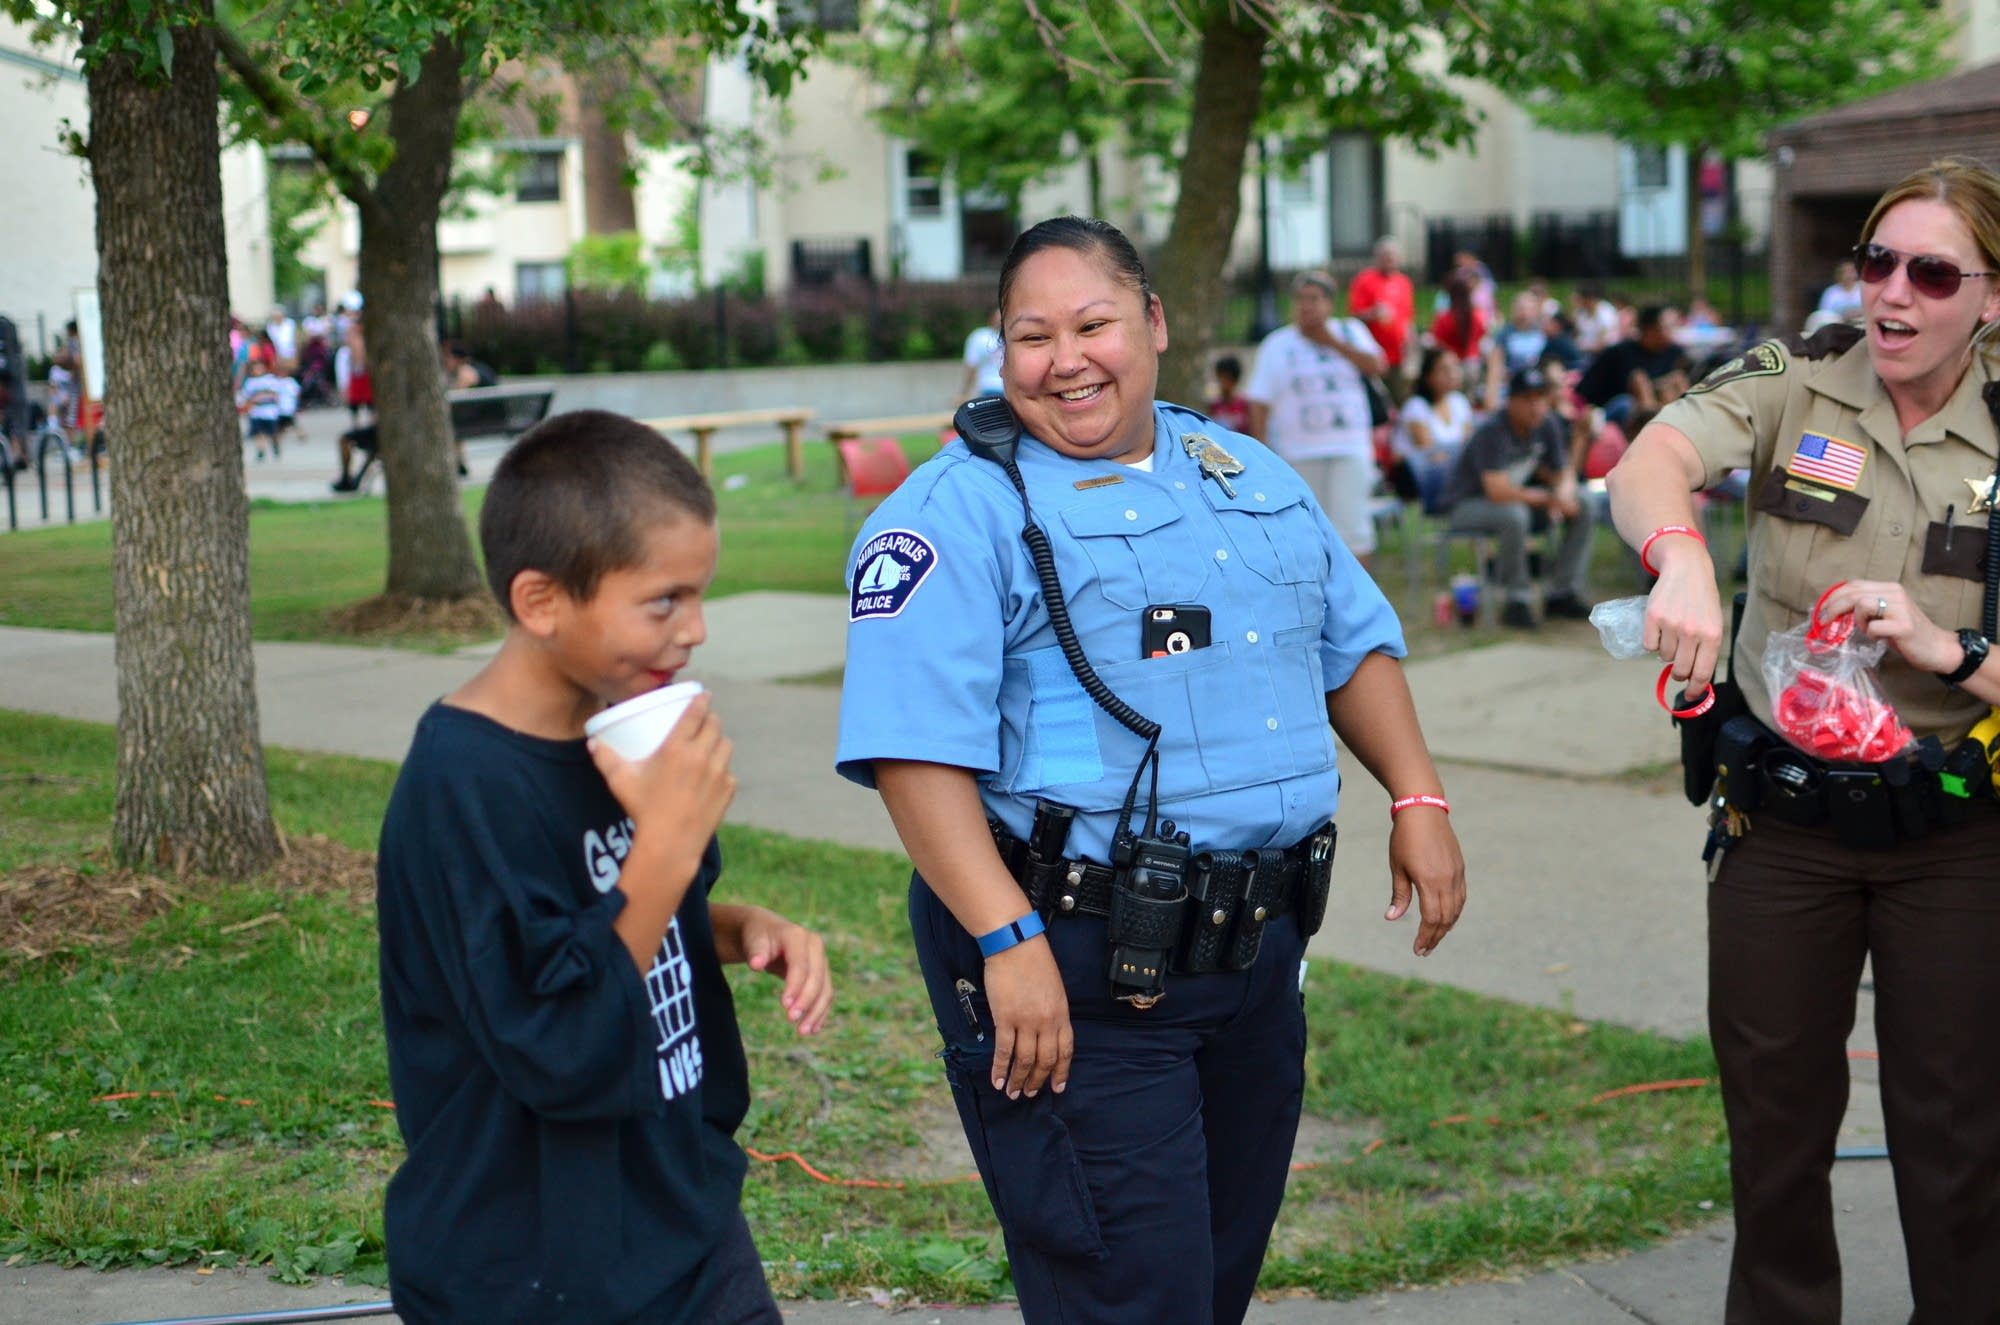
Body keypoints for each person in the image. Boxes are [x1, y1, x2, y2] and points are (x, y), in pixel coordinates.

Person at [834, 216, 1466, 1325]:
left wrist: (1414, 794)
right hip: (1074, 971)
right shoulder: (956, 511)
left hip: (1255, 961)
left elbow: (1347, 637)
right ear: (999, 348)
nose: (1064, 358)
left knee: (1210, 1284)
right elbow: (911, 747)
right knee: (1127, 1296)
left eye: (1092, 324)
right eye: (1031, 335)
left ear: (1155, 325)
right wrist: (1002, 935)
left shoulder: (1242, 468)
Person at [1606, 158, 2000, 1324]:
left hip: (1955, 835)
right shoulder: (1797, 376)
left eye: (1931, 272)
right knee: (1772, 1130)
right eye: (1875, 260)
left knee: (1958, 1140)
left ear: (1989, 298)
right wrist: (1676, 551)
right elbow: (1651, 459)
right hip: (1780, 825)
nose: (1892, 292)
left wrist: (1946, 650)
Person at [374, 409, 832, 1325]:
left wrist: (741, 927)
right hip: (534, 1267)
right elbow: (557, 1044)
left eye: (700, 595)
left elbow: (637, 915)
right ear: (542, 601)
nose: (695, 628)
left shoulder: (616, 727)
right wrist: (663, 847)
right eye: (664, 601)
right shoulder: (466, 785)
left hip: (680, 1217)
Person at [1245, 269, 1388, 565]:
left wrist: (1330, 341)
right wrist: (1262, 449)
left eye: (1314, 299)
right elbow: (1259, 401)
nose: (1306, 305)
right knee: (1305, 531)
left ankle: (1356, 604)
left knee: (1352, 530)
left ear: (1330, 304)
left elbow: (1376, 365)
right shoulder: (1277, 344)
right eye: (1300, 299)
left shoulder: (1350, 331)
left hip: (1349, 448)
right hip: (1298, 453)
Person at [1443, 365, 1596, 628]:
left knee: (1585, 501)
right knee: (1514, 514)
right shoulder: (1492, 431)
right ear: (1510, 401)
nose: (1535, 406)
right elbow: (1497, 490)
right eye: (1527, 399)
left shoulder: (1546, 424)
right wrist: (1550, 500)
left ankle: (1562, 592)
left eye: (1540, 398)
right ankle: (1517, 600)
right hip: (1467, 505)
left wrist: (1563, 494)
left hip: (1517, 502)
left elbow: (1562, 473)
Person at [1578, 304, 1692, 431]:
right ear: (1650, 329)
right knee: (1638, 383)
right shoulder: (1621, 353)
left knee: (1677, 381)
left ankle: (1686, 428)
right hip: (1612, 409)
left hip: (1653, 405)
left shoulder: (1674, 353)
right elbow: (1626, 387)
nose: (1674, 330)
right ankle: (1654, 432)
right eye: (1669, 326)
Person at [1392, 346, 1475, 515]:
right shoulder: (1416, 407)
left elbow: (1469, 445)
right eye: (1444, 370)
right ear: (1428, 376)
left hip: (1454, 472)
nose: (1452, 374)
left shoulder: (1459, 402)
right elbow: (1428, 453)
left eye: (1455, 368)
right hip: (1422, 479)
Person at [1348, 236, 1416, 389]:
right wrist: (1373, 314)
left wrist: (1410, 349)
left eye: (1393, 256)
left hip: (1398, 357)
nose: (1390, 259)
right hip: (1374, 355)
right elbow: (1354, 317)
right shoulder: (1364, 280)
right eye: (1385, 256)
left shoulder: (1403, 282)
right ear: (1377, 258)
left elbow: (1408, 319)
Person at [958, 307, 1004, 402]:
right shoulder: (980, 337)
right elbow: (972, 367)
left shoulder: (979, 336)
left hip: (995, 388)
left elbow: (971, 366)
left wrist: (964, 393)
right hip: (991, 387)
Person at [1205, 353, 1250, 433]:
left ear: (1235, 379)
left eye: (1227, 378)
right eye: (1221, 377)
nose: (1223, 382)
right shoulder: (1214, 406)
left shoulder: (1244, 405)